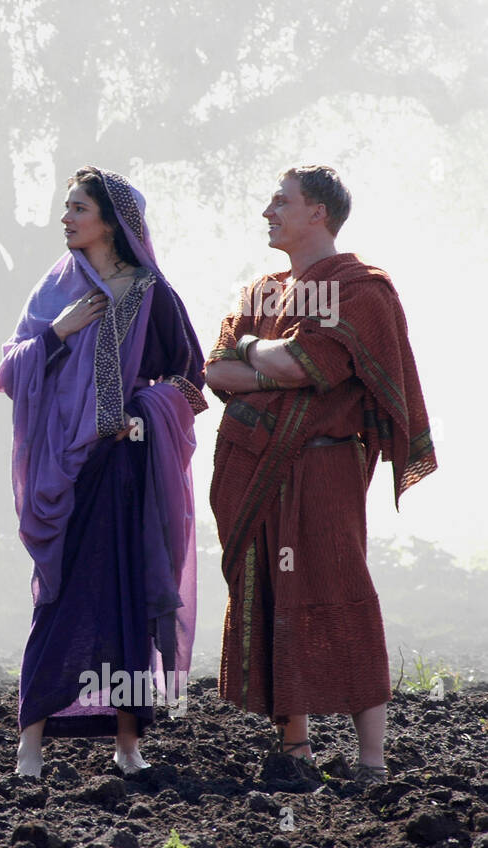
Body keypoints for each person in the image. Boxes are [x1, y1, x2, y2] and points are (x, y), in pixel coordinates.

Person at [205, 165, 437, 786]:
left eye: (282, 200)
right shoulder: (262, 292)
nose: (267, 210)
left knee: (342, 588)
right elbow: (215, 371)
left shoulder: (363, 290)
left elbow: (312, 361)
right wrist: (267, 365)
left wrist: (256, 359)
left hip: (327, 467)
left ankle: (371, 761)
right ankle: (296, 751)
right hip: (258, 469)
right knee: (275, 593)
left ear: (319, 214)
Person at [0, 167, 208, 778]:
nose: (66, 218)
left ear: (111, 221)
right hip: (68, 471)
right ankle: (30, 744)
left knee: (128, 598)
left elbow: (189, 386)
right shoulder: (55, 288)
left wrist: (140, 409)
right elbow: (11, 372)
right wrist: (57, 335)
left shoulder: (152, 293)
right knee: (61, 599)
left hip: (128, 474)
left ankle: (127, 746)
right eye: (66, 208)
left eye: (78, 208)